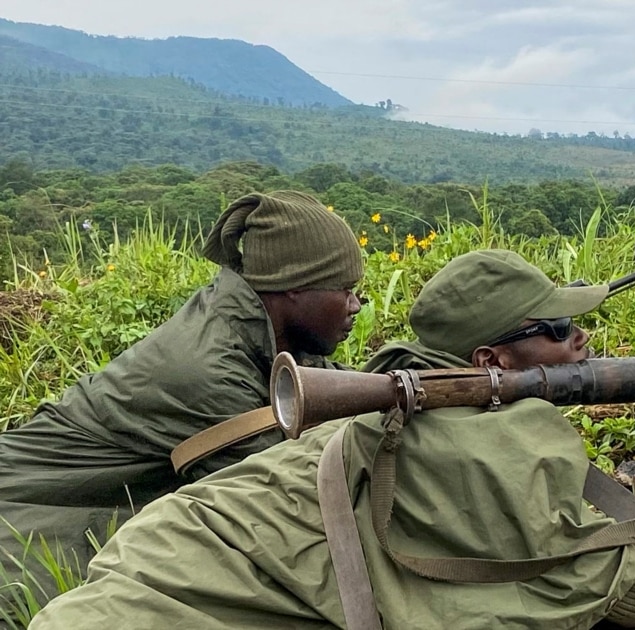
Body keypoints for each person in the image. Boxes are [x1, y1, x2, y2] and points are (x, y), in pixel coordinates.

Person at [28, 249, 635, 629]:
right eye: (558, 329)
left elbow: (523, 532)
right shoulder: (472, 447)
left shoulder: (395, 405)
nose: (583, 342)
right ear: (489, 362)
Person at [0, 190, 365, 608]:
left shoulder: (267, 331)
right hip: (26, 512)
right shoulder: (209, 368)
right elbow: (296, 494)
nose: (356, 305)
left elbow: (349, 393)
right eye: (346, 289)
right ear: (294, 287)